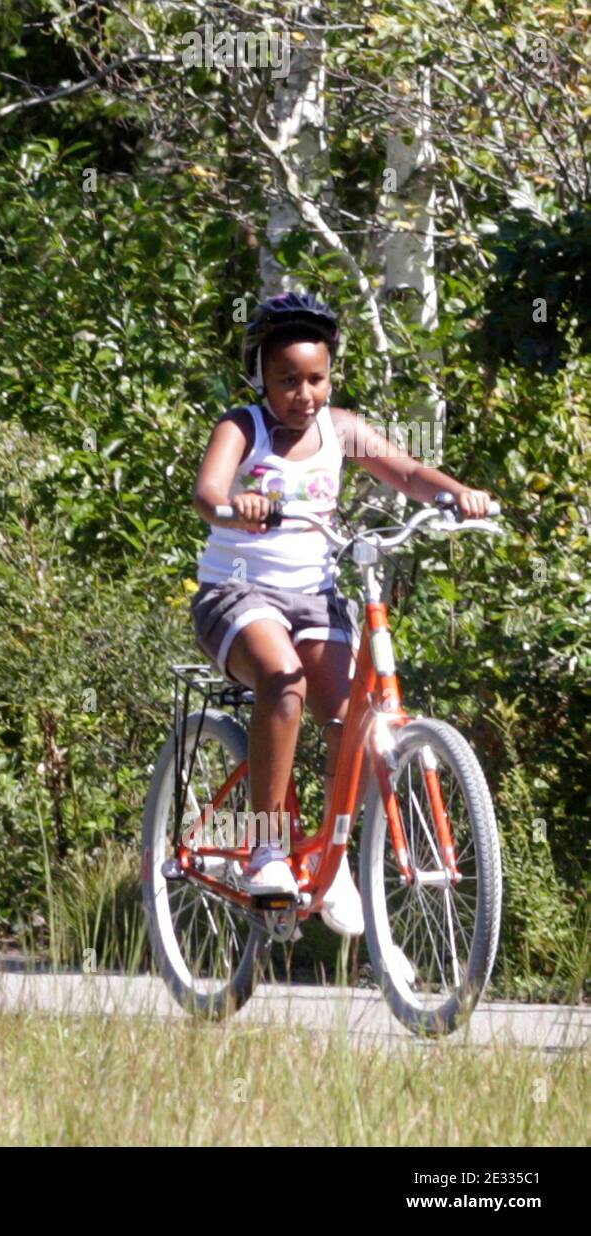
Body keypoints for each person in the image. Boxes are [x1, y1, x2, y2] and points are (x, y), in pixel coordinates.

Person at [189, 290, 491, 934]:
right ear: (261, 379)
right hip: (236, 595)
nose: (304, 394)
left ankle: (333, 860)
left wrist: (458, 494)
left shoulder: (342, 428)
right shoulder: (242, 428)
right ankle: (268, 848)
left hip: (313, 598)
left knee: (350, 715)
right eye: (287, 380)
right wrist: (235, 505)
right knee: (283, 679)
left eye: (316, 378)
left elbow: (406, 471)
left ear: (331, 376)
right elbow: (207, 493)